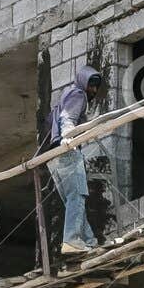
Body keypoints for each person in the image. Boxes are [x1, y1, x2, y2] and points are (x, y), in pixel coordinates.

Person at [45, 66, 106, 256]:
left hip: (53, 156)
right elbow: (67, 118)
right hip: (66, 151)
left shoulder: (66, 95)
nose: (93, 91)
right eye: (91, 85)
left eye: (96, 87)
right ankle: (72, 240)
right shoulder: (78, 94)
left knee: (72, 199)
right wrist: (68, 137)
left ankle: (88, 240)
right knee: (77, 196)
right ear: (83, 82)